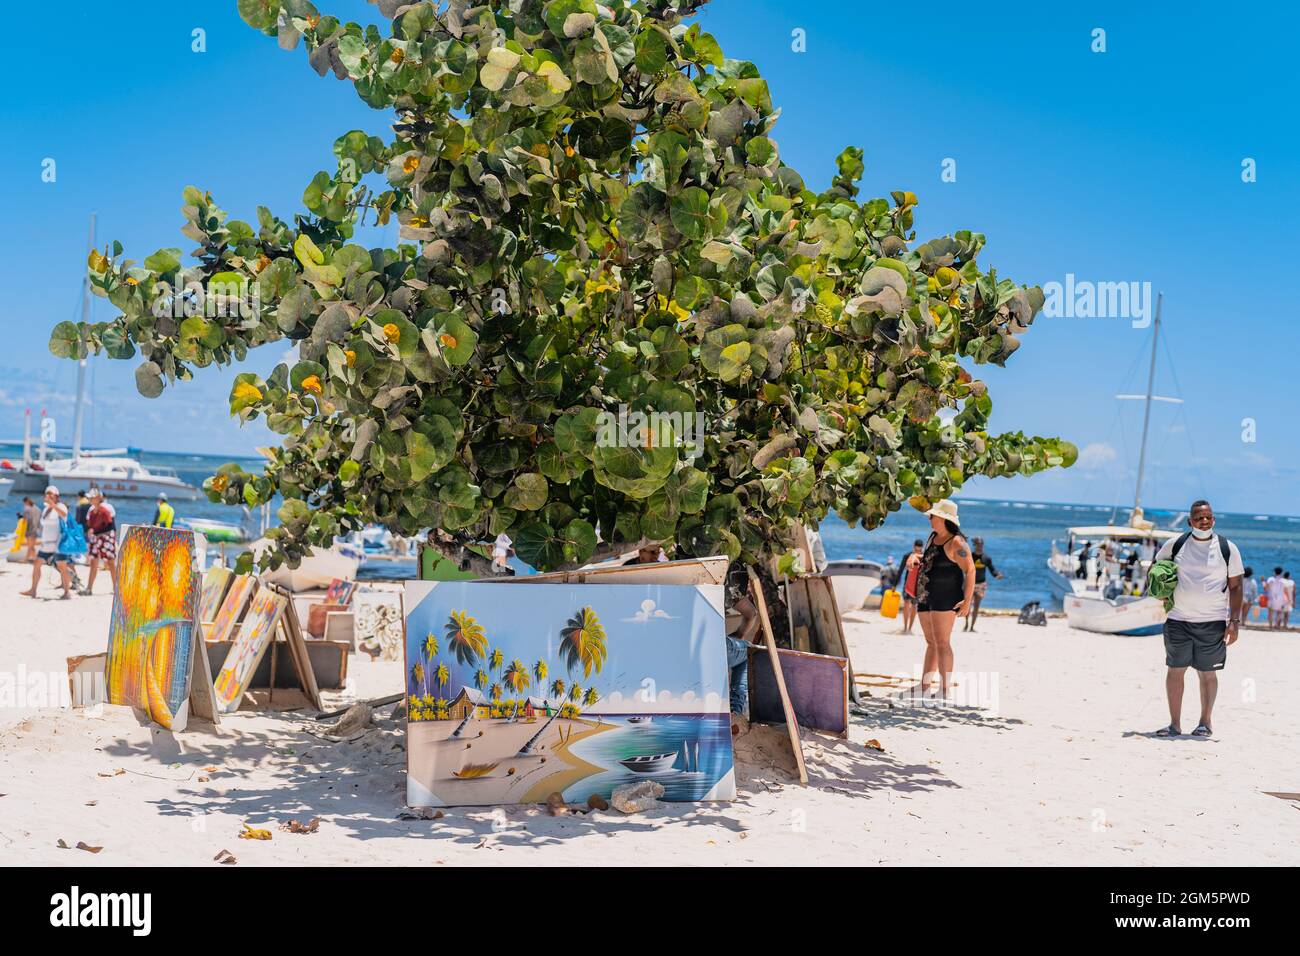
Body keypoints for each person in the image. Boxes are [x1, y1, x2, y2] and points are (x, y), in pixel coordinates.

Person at [1152, 500, 1242, 738]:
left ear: (1213, 519)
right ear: (1190, 521)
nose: (1204, 521)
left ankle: (1205, 722)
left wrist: (1234, 622)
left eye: (1208, 517)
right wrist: (1162, 592)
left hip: (1212, 621)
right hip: (1178, 619)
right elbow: (1157, 568)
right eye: (1199, 518)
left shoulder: (1227, 548)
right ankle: (1174, 724)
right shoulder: (1176, 544)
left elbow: (1236, 586)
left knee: (1207, 673)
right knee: (1175, 670)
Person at [900, 500, 975, 700]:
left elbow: (970, 569)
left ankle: (944, 689)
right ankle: (924, 686)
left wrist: (967, 600)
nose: (929, 518)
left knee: (942, 642)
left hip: (946, 597)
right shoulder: (933, 536)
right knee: (931, 642)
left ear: (942, 518)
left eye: (932, 516)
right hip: (925, 594)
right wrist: (915, 557)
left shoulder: (957, 542)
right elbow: (930, 558)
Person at [20, 485, 73, 600]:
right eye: (46, 493)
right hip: (47, 544)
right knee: (37, 564)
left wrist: (53, 505)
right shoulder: (45, 509)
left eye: (50, 493)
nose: (48, 495)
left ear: (56, 496)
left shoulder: (61, 506)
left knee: (62, 567)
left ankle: (67, 592)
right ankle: (33, 590)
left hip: (58, 544)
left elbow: (64, 515)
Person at [81, 488, 118, 596]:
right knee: (94, 562)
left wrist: (94, 530)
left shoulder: (106, 509)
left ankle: (116, 588)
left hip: (106, 537)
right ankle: (89, 588)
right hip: (96, 538)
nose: (89, 499)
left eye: (91, 497)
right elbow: (90, 524)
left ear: (98, 498)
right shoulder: (92, 510)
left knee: (110, 562)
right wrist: (91, 531)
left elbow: (110, 525)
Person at [965, 537, 1004, 632]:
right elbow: (963, 568)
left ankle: (971, 627)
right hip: (970, 583)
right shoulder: (970, 556)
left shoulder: (986, 558)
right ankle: (966, 623)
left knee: (976, 606)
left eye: (981, 545)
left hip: (981, 584)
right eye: (978, 544)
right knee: (967, 606)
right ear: (974, 545)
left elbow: (992, 569)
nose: (980, 546)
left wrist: (997, 575)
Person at [899, 539, 924, 635]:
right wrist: (894, 584)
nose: (918, 550)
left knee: (914, 606)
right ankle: (905, 627)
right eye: (916, 548)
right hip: (908, 583)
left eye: (919, 549)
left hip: (918, 585)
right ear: (914, 546)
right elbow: (901, 569)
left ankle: (909, 628)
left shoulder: (924, 557)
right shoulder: (908, 556)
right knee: (906, 604)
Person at [20, 495, 40, 563]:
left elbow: (26, 520)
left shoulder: (27, 508)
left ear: (25, 502)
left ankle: (26, 559)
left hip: (29, 529)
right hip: (36, 529)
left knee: (30, 546)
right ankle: (35, 559)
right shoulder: (37, 509)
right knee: (32, 546)